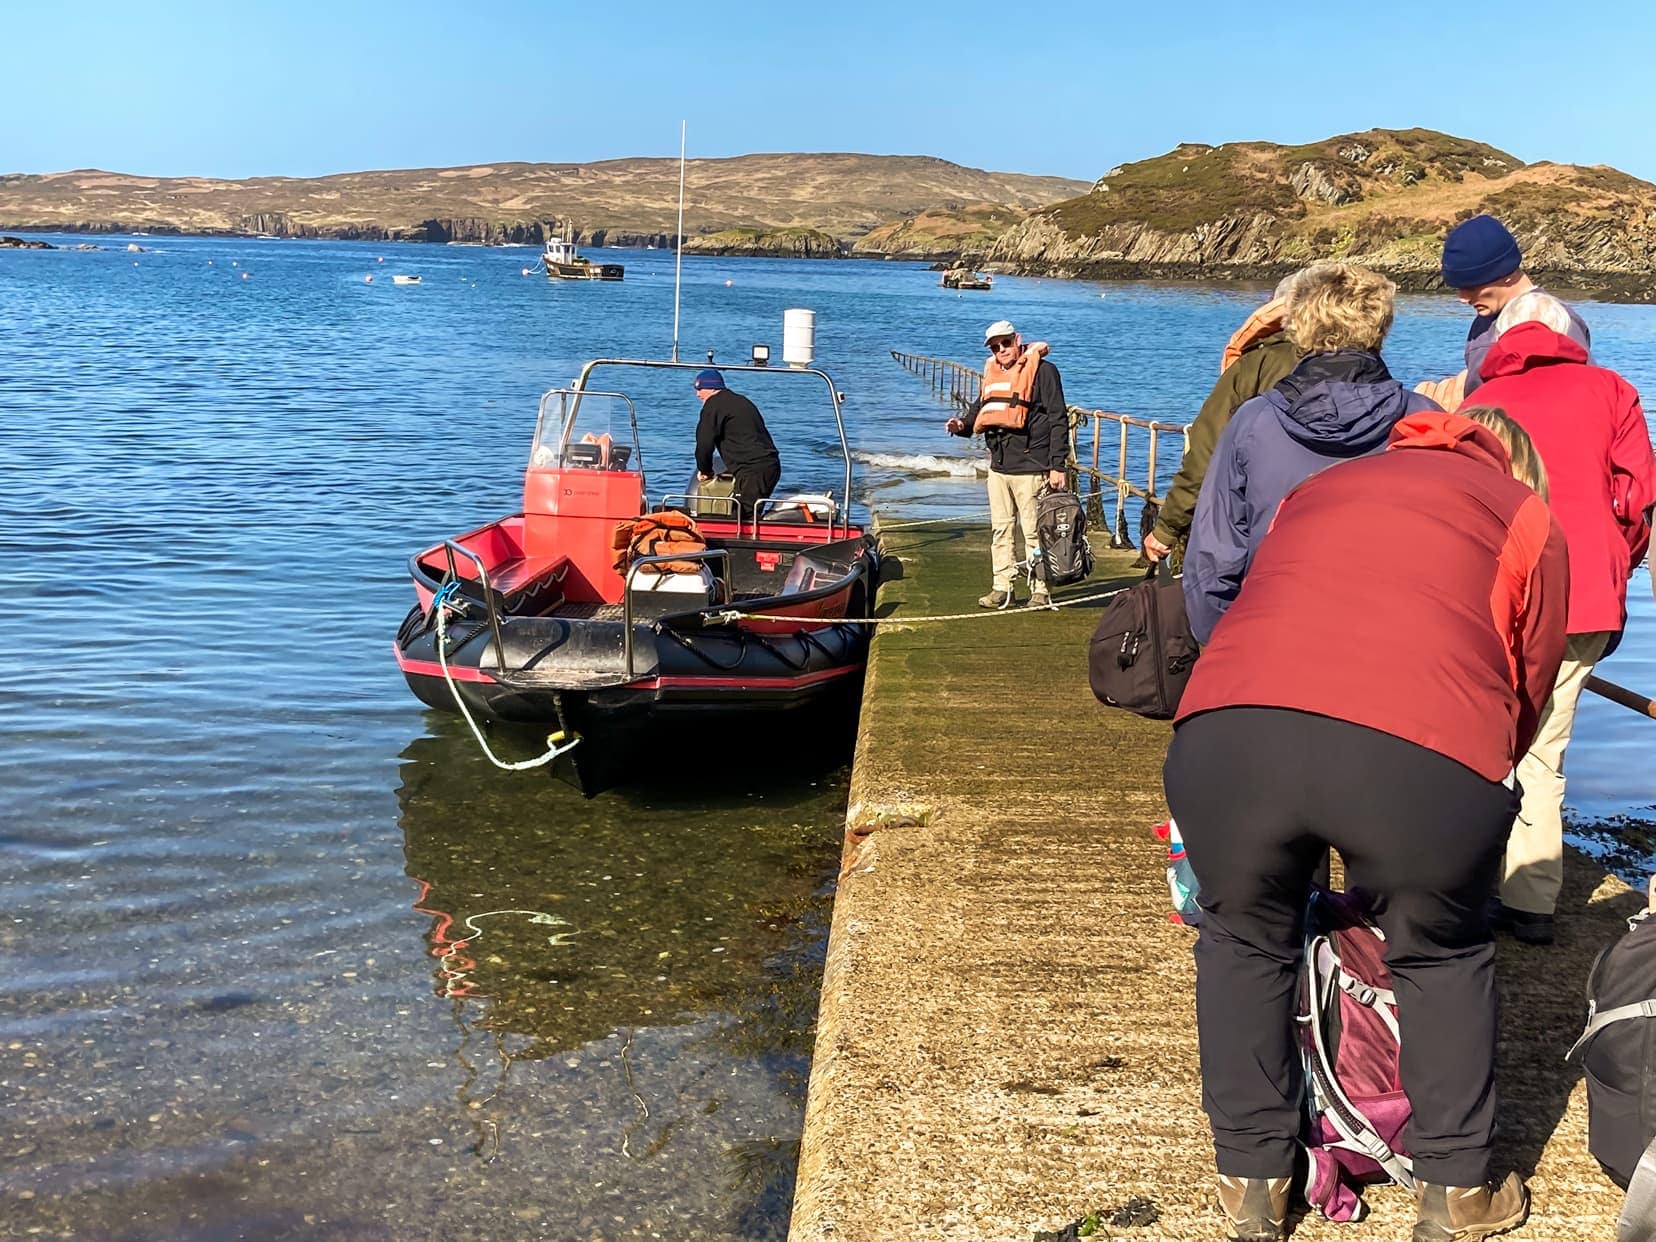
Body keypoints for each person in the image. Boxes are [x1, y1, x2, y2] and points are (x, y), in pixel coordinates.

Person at [1166, 408, 1568, 1241]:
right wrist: (1482, 775)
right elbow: (1531, 678)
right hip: (1419, 748)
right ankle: (1456, 1189)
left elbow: (1256, 590)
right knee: (1443, 951)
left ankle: (1254, 1181)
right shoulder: (1525, 514)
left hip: (1230, 725)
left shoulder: (1322, 485)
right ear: (1512, 465)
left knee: (1241, 941)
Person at [1457, 296, 1655, 944]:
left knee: (1483, 735)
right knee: (1546, 750)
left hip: (1496, 585)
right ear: (1571, 336)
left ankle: (1465, 881)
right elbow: (1639, 493)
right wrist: (1617, 549)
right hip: (1586, 593)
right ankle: (1531, 904)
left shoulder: (1481, 398)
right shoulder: (1612, 390)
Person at [1183, 262, 1439, 643]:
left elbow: (1215, 553)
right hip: (1388, 641)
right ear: (1381, 325)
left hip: (1271, 635)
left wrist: (1226, 643)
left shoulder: (1255, 422)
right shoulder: (1424, 419)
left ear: (1298, 325)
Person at [1144, 277, 1302, 564]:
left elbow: (1207, 449)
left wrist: (1167, 527)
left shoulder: (1254, 365)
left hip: (1259, 519)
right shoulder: (1367, 370)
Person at [945, 320, 1068, 609]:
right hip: (999, 467)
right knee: (1000, 529)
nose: (1001, 350)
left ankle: (1040, 589)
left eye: (1005, 343)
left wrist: (1057, 465)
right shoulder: (994, 373)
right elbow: (981, 409)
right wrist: (961, 424)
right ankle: (1002, 586)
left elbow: (1058, 418)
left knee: (1034, 531)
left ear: (1017, 339)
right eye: (995, 347)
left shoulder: (1044, 371)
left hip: (1032, 466)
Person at [1418, 214, 1591, 407]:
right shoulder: (1484, 319)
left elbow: (1581, 395)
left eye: (1472, 287)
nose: (1463, 297)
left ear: (1505, 274)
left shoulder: (1557, 320)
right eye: (1457, 287)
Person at [693, 368, 781, 516]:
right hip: (768, 465)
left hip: (753, 470)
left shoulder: (713, 405)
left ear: (712, 387)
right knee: (746, 512)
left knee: (741, 517)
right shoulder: (741, 401)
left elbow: (704, 444)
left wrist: (705, 470)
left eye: (700, 389)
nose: (697, 394)